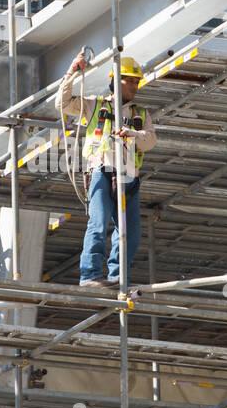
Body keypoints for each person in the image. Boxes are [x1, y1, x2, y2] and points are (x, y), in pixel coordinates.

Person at [56, 51, 157, 288]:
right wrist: (72, 71)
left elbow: (150, 141)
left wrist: (132, 134)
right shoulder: (95, 105)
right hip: (101, 172)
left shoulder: (141, 114)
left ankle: (117, 278)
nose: (134, 85)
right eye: (129, 80)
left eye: (136, 81)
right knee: (98, 224)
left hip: (129, 179)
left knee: (130, 233)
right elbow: (62, 104)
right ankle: (90, 275)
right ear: (115, 80)